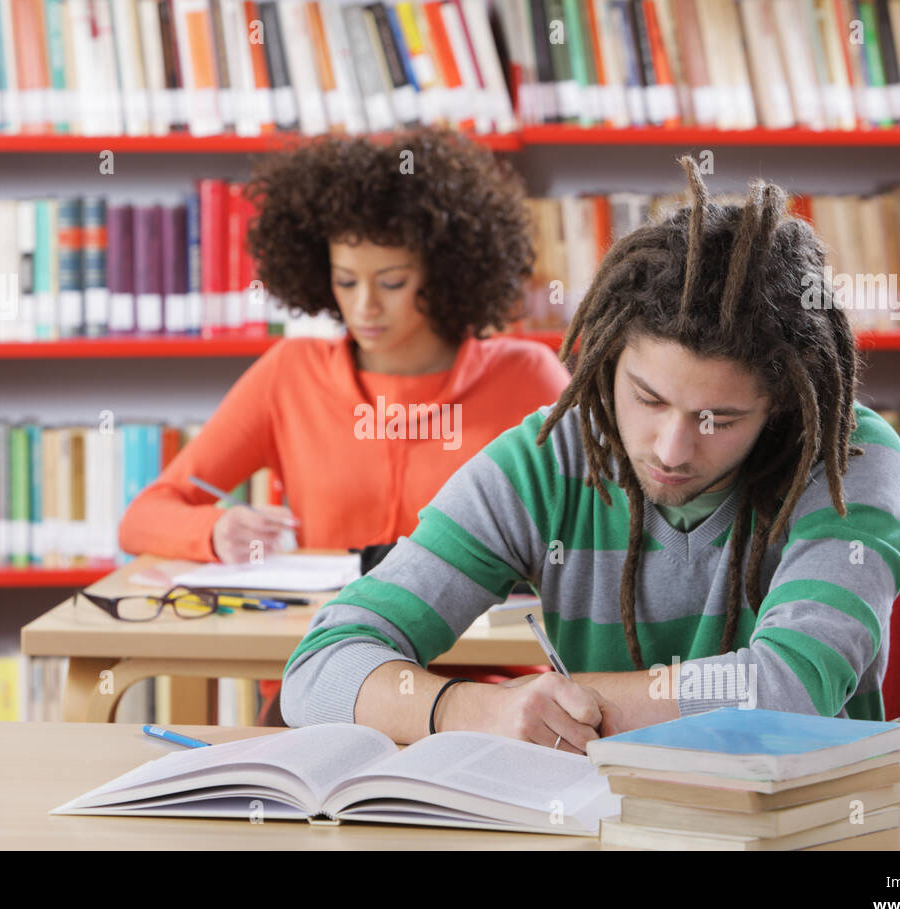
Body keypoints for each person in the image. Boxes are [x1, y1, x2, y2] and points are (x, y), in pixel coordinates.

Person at [280, 155, 900, 752]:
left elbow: (788, 692)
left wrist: (562, 705)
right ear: (607, 361)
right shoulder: (545, 461)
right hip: (596, 816)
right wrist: (472, 709)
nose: (671, 449)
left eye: (718, 419)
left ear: (781, 404)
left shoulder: (847, 456)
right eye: (648, 398)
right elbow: (319, 668)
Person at [117, 127, 571, 722]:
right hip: (338, 687)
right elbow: (143, 516)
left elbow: (603, 524)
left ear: (446, 272)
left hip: (493, 689)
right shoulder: (289, 374)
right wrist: (216, 528)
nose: (364, 308)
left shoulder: (526, 376)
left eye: (392, 282)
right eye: (346, 280)